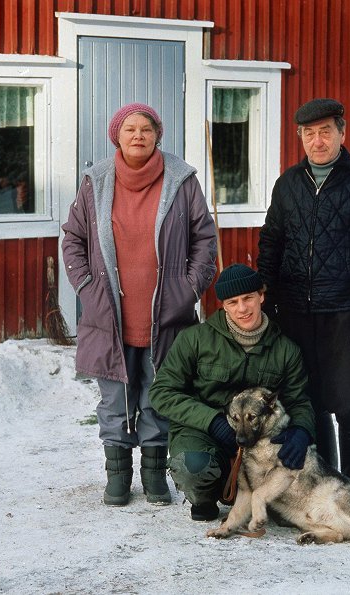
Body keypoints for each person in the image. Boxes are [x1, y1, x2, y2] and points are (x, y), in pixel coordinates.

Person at [61, 103, 217, 507]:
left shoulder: (181, 181)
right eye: (130, 128)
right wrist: (86, 286)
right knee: (114, 398)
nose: (138, 136)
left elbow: (204, 239)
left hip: (166, 315)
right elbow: (72, 240)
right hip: (109, 315)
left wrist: (189, 288)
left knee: (159, 395)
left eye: (146, 129)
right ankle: (117, 475)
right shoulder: (95, 181)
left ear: (157, 135)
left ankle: (153, 475)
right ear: (117, 135)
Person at [257, 98, 350, 488]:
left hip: (344, 311)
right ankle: (327, 483)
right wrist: (265, 296)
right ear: (299, 137)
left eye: (325, 132)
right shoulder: (288, 183)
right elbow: (272, 241)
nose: (317, 141)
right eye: (309, 133)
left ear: (342, 133)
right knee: (310, 401)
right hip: (295, 312)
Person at [149, 264, 316, 521]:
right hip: (204, 432)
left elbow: (300, 400)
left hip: (260, 438)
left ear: (261, 296)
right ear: (223, 305)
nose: (242, 308)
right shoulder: (194, 339)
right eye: (233, 301)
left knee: (292, 503)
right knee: (193, 467)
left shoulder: (285, 349)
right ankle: (205, 497)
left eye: (248, 298)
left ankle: (262, 498)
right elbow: (162, 392)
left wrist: (302, 431)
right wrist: (211, 421)